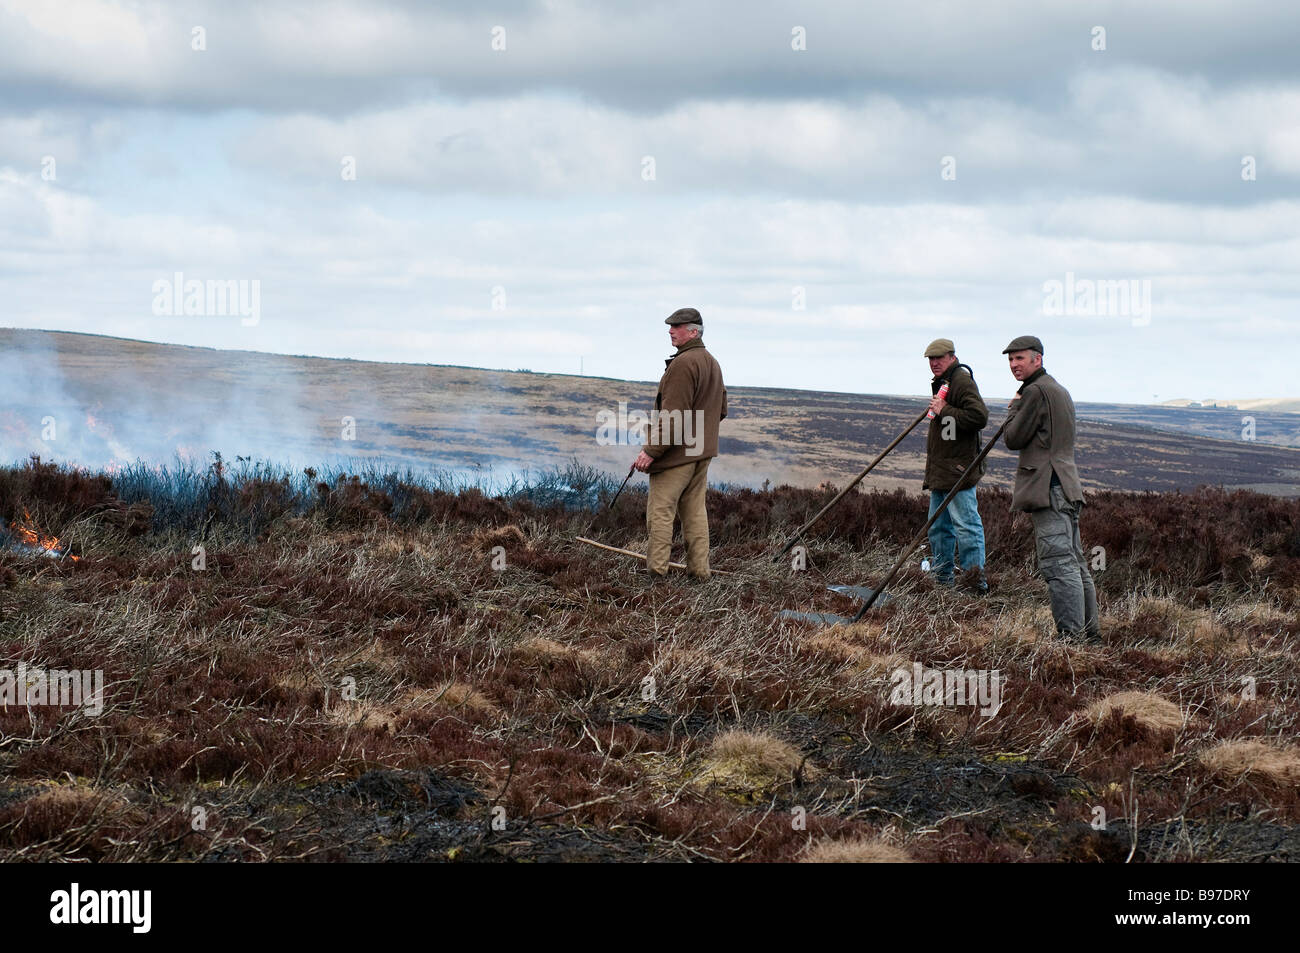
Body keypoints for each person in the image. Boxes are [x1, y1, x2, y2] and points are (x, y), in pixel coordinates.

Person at [1001, 335, 1099, 641]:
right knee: (1076, 563)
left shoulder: (1034, 392)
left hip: (1049, 489)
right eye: (1010, 360)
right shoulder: (1059, 389)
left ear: (1037, 359)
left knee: (1059, 565)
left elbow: (1013, 438)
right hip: (1067, 486)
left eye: (1020, 358)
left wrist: (1013, 409)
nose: (1014, 365)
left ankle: (1072, 639)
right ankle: (1089, 635)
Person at [632, 308, 727, 581]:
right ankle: (700, 573)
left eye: (678, 326)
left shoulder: (683, 364)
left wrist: (650, 452)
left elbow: (673, 418)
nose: (671, 330)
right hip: (701, 454)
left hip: (676, 456)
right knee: (695, 513)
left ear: (694, 331)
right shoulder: (712, 362)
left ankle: (656, 574)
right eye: (671, 326)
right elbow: (721, 410)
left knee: (660, 512)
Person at [921, 338, 989, 593]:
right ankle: (942, 580)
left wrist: (945, 409)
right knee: (938, 527)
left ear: (952, 357)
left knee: (966, 525)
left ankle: (975, 584)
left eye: (939, 358)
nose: (934, 363)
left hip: (958, 471)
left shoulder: (961, 380)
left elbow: (979, 416)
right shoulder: (945, 381)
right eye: (931, 359)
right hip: (943, 471)